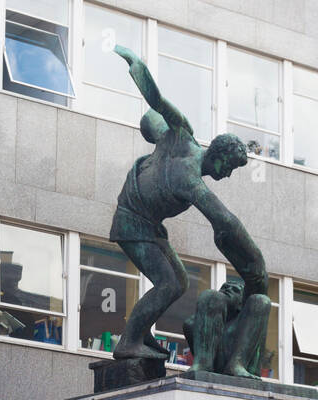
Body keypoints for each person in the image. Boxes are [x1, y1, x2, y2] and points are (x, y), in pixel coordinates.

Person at [107, 45, 268, 374]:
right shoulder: (190, 181)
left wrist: (140, 73)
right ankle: (129, 341)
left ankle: (139, 336)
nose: (227, 175)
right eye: (230, 167)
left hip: (147, 224)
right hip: (131, 222)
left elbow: (154, 114)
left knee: (178, 281)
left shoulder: (181, 136)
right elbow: (222, 219)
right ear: (219, 155)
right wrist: (255, 265)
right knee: (169, 283)